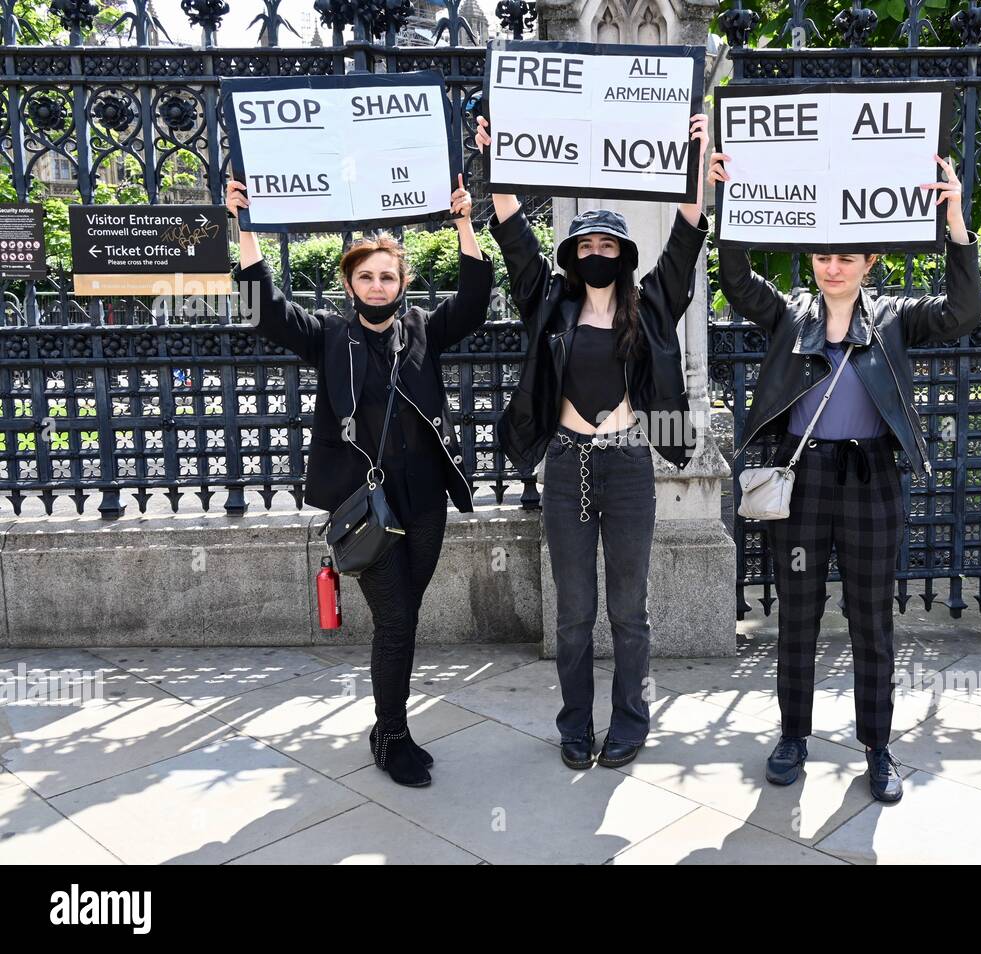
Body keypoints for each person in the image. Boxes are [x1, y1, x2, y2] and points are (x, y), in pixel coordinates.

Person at [709, 150, 981, 802]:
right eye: (823, 256)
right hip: (802, 485)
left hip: (871, 481)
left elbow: (963, 312)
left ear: (869, 263)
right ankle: (793, 735)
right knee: (797, 615)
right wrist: (731, 202)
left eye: (847, 257)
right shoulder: (789, 315)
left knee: (871, 622)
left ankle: (877, 747)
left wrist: (956, 219)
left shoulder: (893, 318)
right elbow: (737, 280)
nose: (832, 266)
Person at [226, 175, 492, 788]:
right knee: (396, 618)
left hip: (424, 500)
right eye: (367, 276)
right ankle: (391, 733)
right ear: (350, 284)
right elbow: (265, 309)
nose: (379, 286)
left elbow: (475, 303)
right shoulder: (329, 336)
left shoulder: (422, 330)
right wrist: (246, 227)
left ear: (403, 284)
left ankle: (389, 724)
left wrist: (463, 224)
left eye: (389, 277)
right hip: (363, 505)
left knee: (407, 614)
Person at [475, 113, 710, 769]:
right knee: (575, 612)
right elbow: (516, 237)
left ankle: (630, 722)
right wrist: (499, 162)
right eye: (587, 247)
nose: (598, 255)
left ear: (624, 255)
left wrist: (698, 152)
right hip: (567, 464)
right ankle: (575, 724)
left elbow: (689, 235)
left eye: (609, 247)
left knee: (629, 611)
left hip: (629, 465)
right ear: (573, 256)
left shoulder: (653, 303)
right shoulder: (550, 303)